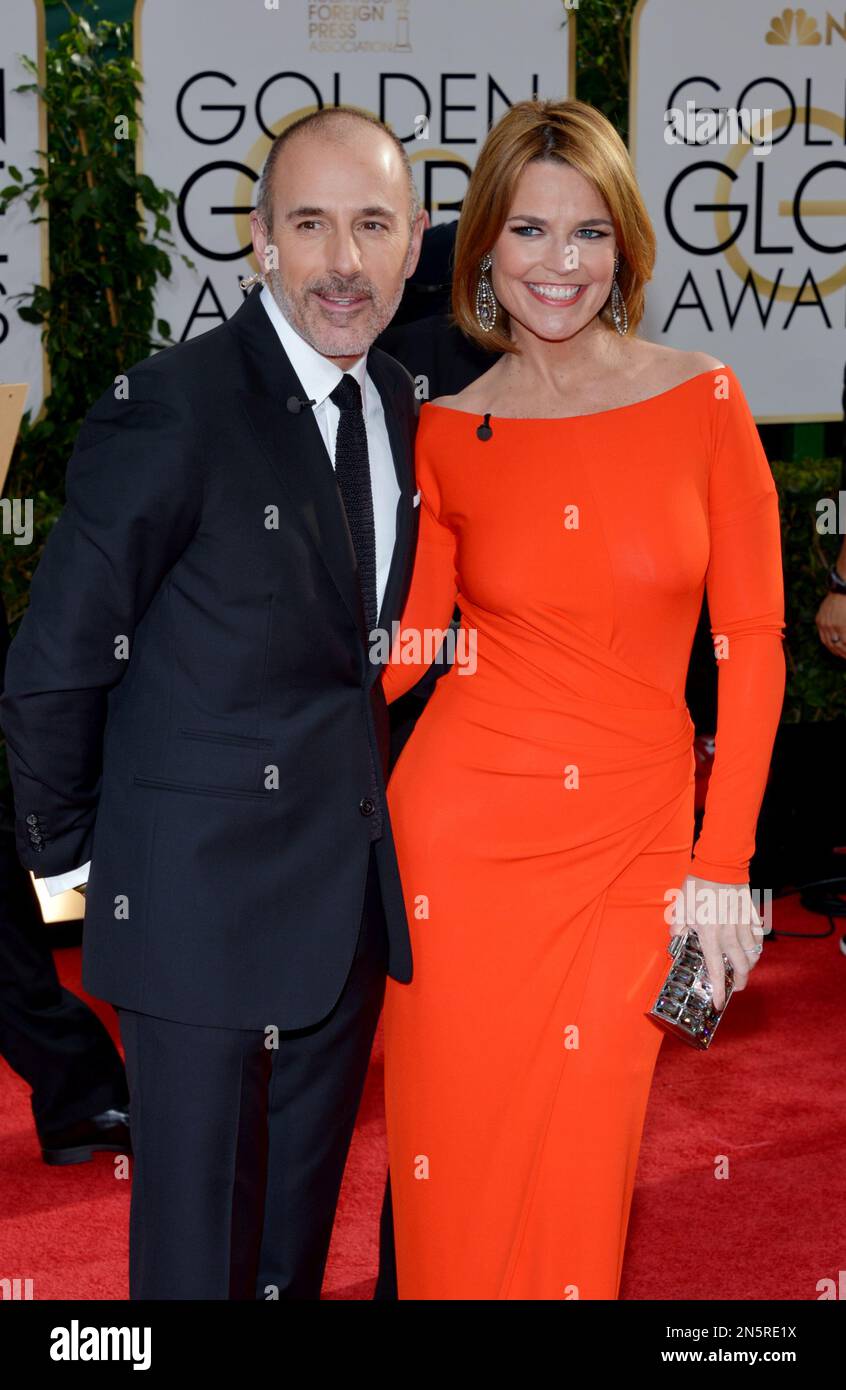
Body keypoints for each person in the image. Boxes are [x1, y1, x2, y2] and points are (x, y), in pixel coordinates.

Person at [0, 105, 426, 1298]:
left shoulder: (395, 399)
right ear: (259, 241)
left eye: (373, 224)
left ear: (413, 241)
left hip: (340, 919)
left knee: (289, 1250)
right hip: (194, 916)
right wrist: (85, 875)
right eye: (311, 223)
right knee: (196, 1267)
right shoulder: (173, 403)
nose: (343, 259)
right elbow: (54, 662)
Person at [378, 97, 786, 1299]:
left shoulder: (702, 397)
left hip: (635, 846)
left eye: (589, 234)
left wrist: (724, 861)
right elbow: (412, 650)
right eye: (530, 232)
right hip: (458, 839)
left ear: (625, 249)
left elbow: (753, 644)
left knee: (583, 1162)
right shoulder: (447, 427)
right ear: (484, 252)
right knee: (453, 1170)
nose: (560, 265)